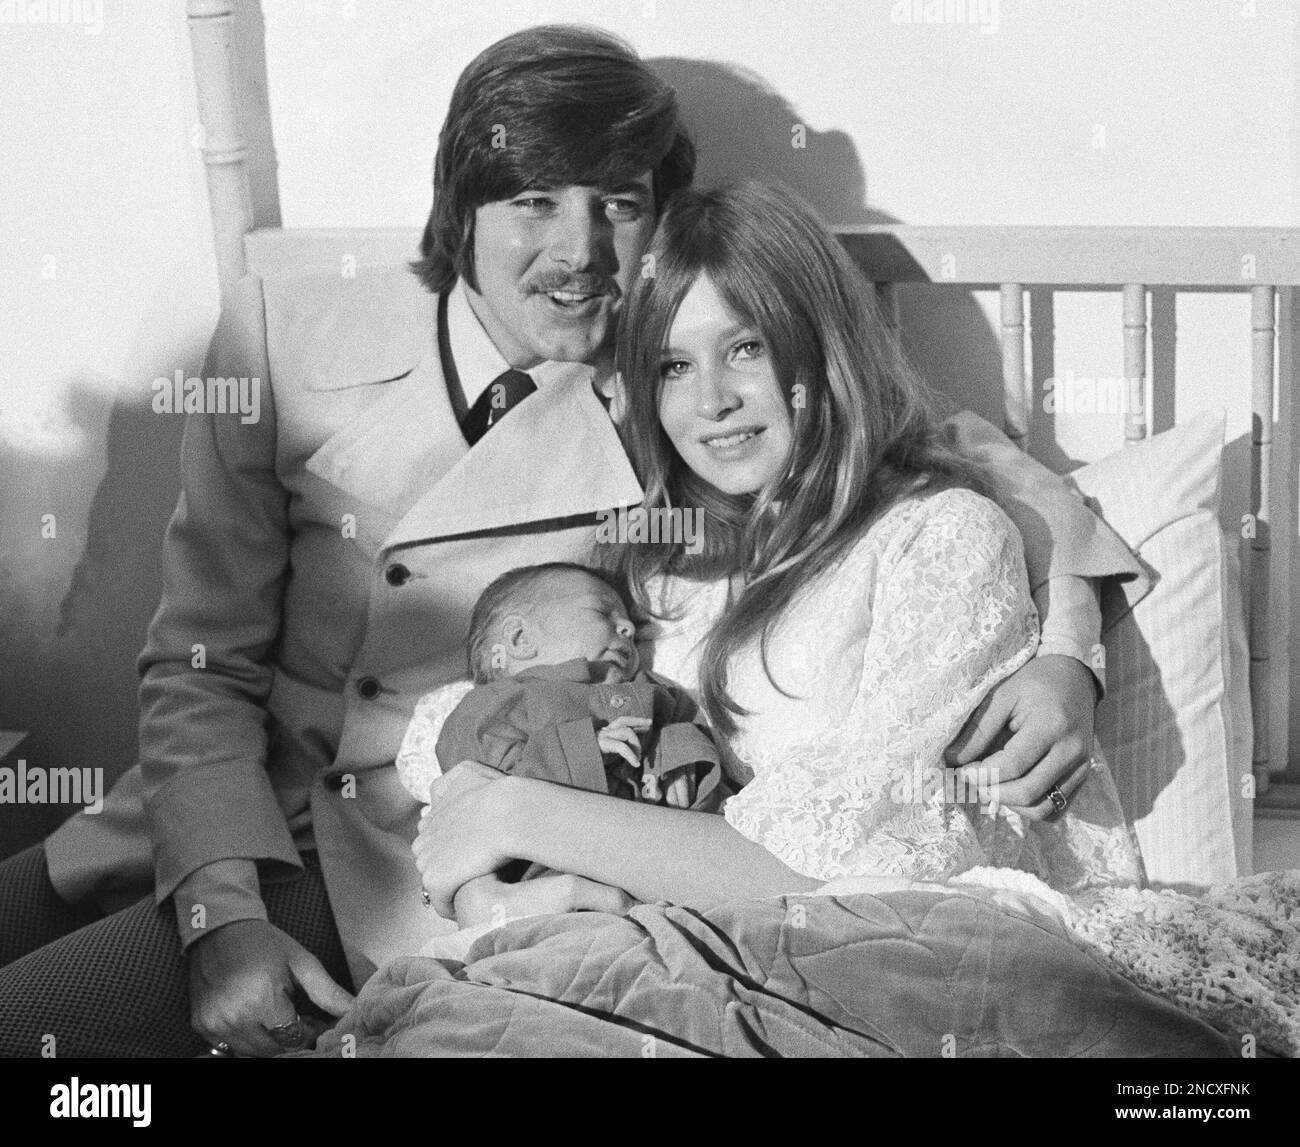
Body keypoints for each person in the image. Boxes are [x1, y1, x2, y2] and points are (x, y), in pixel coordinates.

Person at [0, 26, 1141, 1058]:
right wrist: (216, 906)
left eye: (619, 204)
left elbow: (930, 446)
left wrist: (1066, 647)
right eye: (535, 201)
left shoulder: (674, 382)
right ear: (462, 210)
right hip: (209, 817)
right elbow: (202, 659)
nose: (579, 250)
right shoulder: (280, 337)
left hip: (400, 857)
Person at [412, 181, 1143, 920]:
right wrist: (487, 887)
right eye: (674, 366)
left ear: (823, 349)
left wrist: (515, 814)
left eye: (746, 348)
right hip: (661, 942)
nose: (711, 402)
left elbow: (816, 877)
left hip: (872, 951)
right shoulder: (658, 562)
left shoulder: (937, 540)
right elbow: (496, 727)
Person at [423, 560, 723, 812]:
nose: (629, 629)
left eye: (631, 626)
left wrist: (677, 757)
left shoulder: (647, 688)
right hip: (548, 866)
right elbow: (485, 799)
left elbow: (690, 723)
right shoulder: (492, 707)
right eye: (603, 613)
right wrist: (582, 751)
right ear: (520, 639)